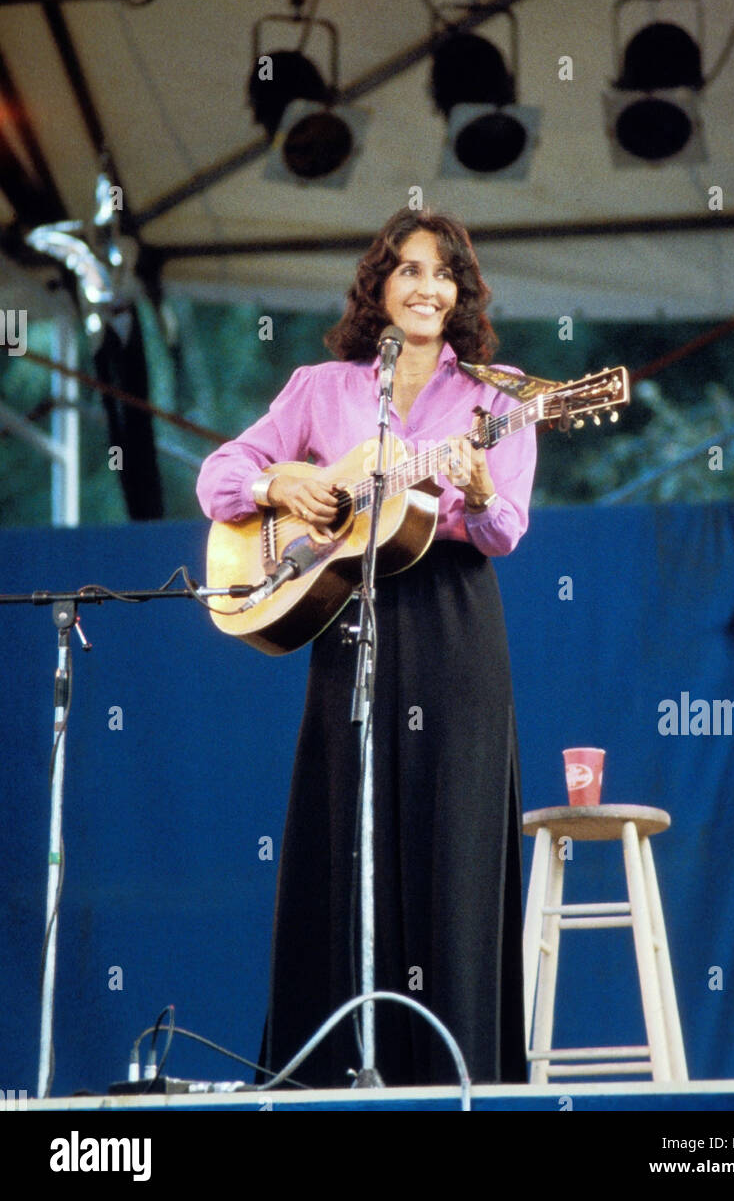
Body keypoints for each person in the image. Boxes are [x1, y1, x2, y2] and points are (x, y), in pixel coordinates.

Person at [196, 207, 537, 1088]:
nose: (428, 287)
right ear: (379, 285)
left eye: (445, 273)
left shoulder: (500, 395)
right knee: (346, 833)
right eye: (410, 269)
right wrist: (283, 478)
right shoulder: (323, 387)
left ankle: (454, 1071)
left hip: (455, 629)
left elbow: (503, 531)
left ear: (461, 292)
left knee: (451, 846)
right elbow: (218, 478)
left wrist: (479, 477)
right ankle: (334, 1067)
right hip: (349, 623)